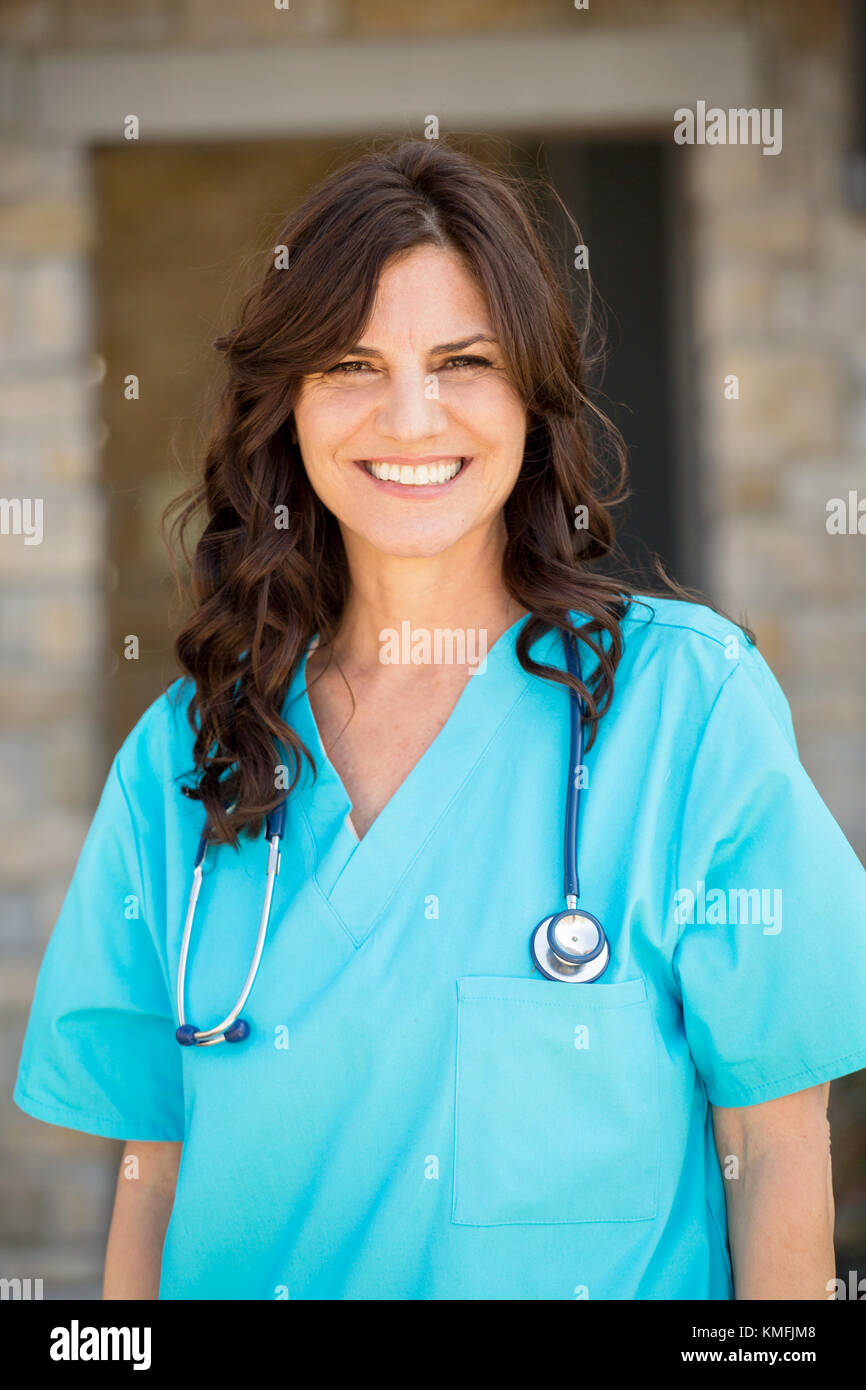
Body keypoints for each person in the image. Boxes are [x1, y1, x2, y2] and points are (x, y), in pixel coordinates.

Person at [14, 138, 866, 1301]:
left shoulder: (687, 712)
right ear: (290, 406)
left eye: (461, 359)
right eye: (351, 365)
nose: (409, 417)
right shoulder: (188, 752)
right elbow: (151, 1177)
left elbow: (772, 1147)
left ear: (529, 393)